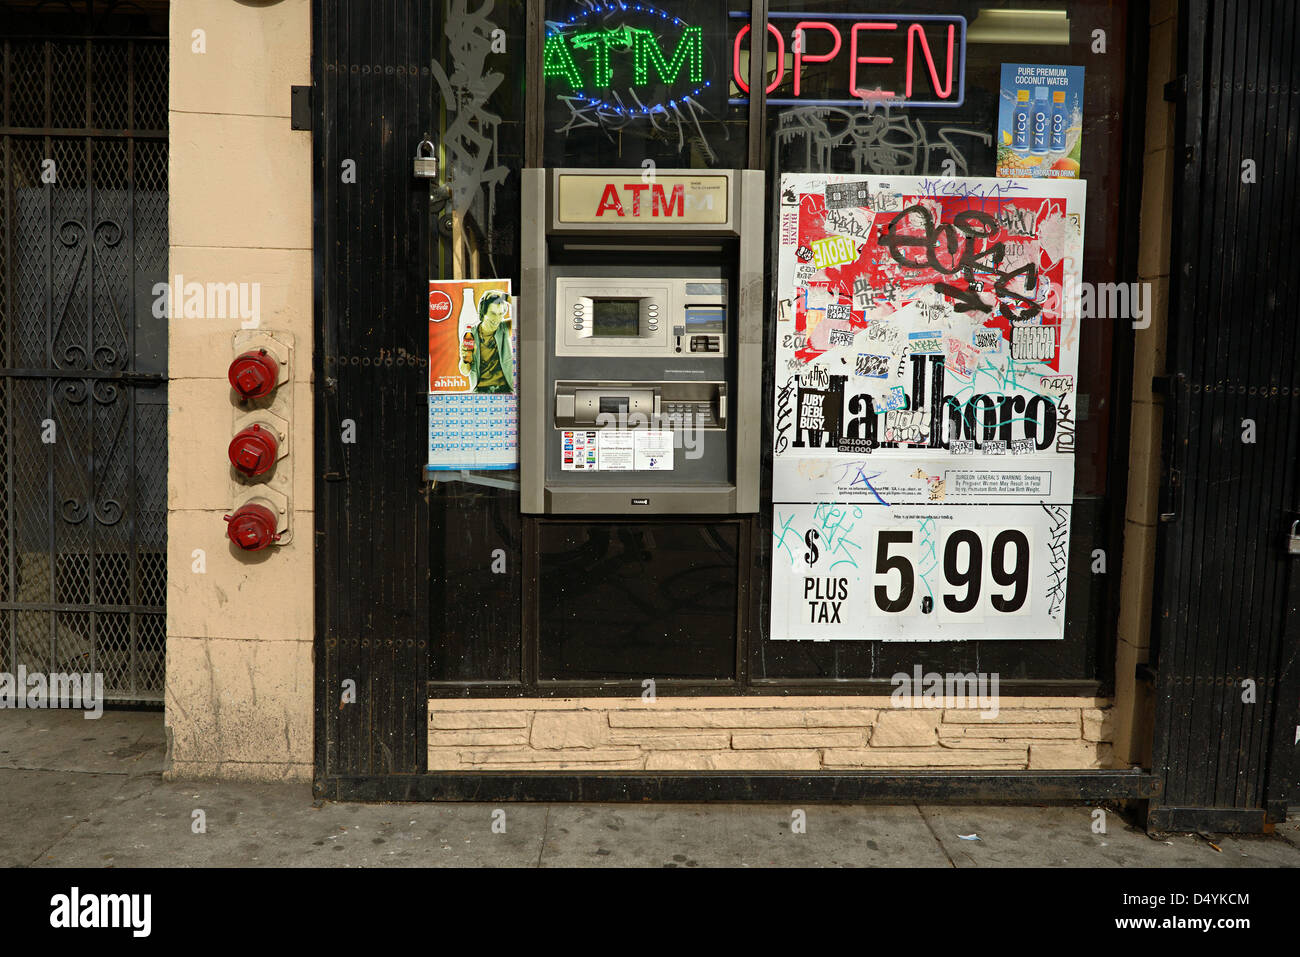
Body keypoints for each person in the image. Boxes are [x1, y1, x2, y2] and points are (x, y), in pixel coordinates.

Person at [459, 290, 513, 394]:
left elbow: (526, 311)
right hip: (480, 392)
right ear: (483, 312)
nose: (497, 319)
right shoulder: (470, 335)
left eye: (500, 314)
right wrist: (464, 359)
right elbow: (465, 372)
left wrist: (504, 297)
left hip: (505, 390)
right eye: (493, 313)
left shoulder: (505, 328)